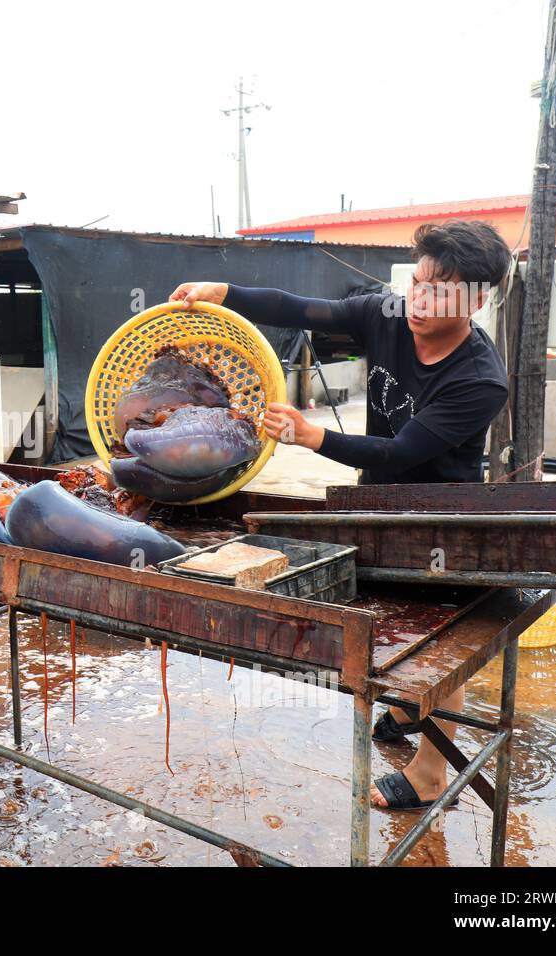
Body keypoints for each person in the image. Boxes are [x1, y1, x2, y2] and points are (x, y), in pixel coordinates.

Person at [171, 220, 512, 812]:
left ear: (478, 300)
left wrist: (312, 436)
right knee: (391, 618)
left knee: (439, 634)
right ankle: (408, 710)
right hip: (377, 500)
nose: (421, 302)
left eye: (442, 292)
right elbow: (303, 307)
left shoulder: (479, 379)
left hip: (442, 514)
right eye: (420, 283)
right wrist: (222, 291)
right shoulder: (388, 315)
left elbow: (402, 450)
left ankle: (432, 774)